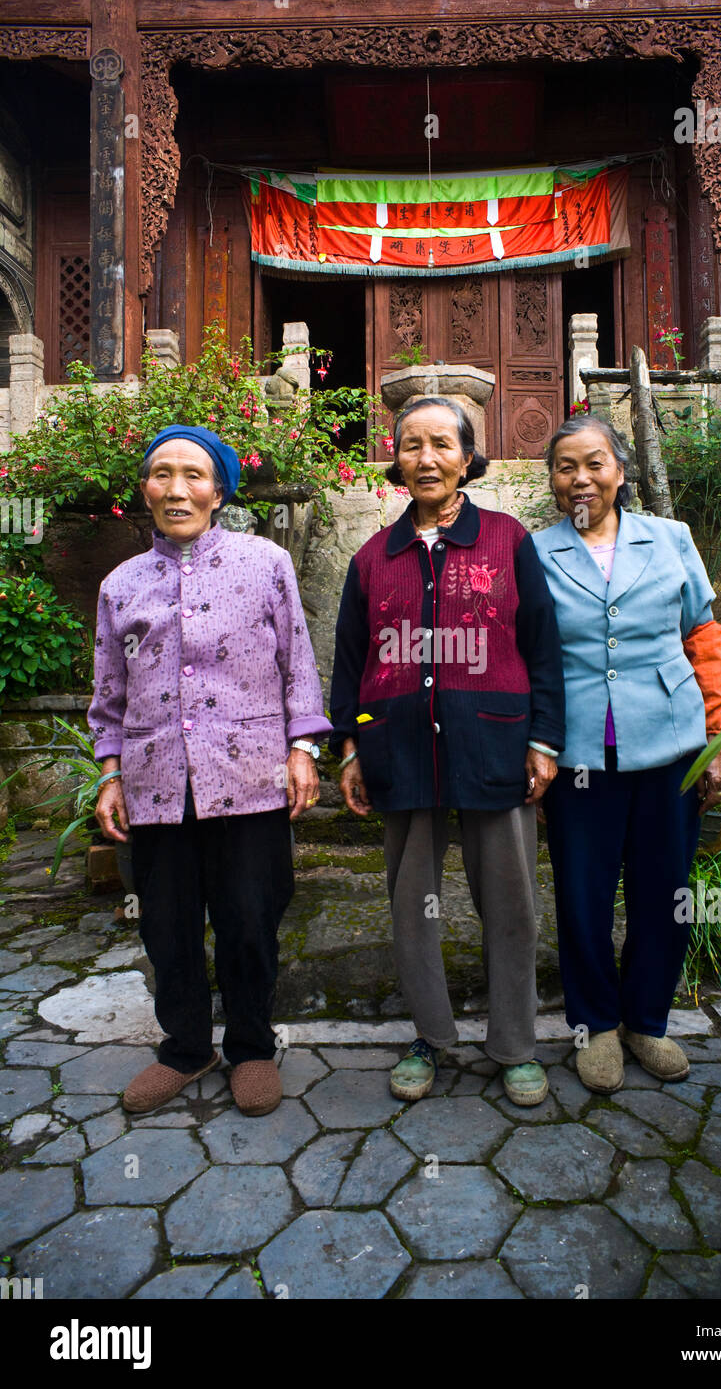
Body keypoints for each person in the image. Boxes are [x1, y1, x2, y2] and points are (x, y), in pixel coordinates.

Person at [88, 424, 331, 1118]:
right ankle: (186, 1048)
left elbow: (298, 665)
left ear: (219, 490)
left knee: (250, 919)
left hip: (250, 775)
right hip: (154, 779)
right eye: (160, 474)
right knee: (165, 926)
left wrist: (302, 750)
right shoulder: (120, 585)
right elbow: (108, 695)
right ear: (145, 491)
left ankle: (252, 1047)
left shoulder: (265, 564)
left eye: (193, 475)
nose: (176, 489)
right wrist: (109, 773)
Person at [330, 397, 565, 1104]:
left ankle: (516, 1045)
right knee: (412, 906)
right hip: (398, 750)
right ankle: (430, 1037)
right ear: (395, 458)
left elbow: (543, 648)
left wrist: (544, 739)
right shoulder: (374, 557)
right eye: (410, 445)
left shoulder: (506, 540)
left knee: (512, 904)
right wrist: (348, 751)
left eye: (441, 444)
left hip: (495, 743)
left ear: (468, 457)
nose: (425, 458)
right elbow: (347, 663)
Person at [533, 414, 721, 1094]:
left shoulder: (670, 539)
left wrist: (716, 740)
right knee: (583, 896)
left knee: (664, 893)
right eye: (566, 467)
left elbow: (703, 636)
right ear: (553, 481)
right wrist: (535, 749)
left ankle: (648, 1019)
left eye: (594, 463)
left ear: (620, 470)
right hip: (579, 753)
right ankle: (594, 1026)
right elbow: (529, 657)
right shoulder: (536, 553)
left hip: (669, 746)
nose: (581, 478)